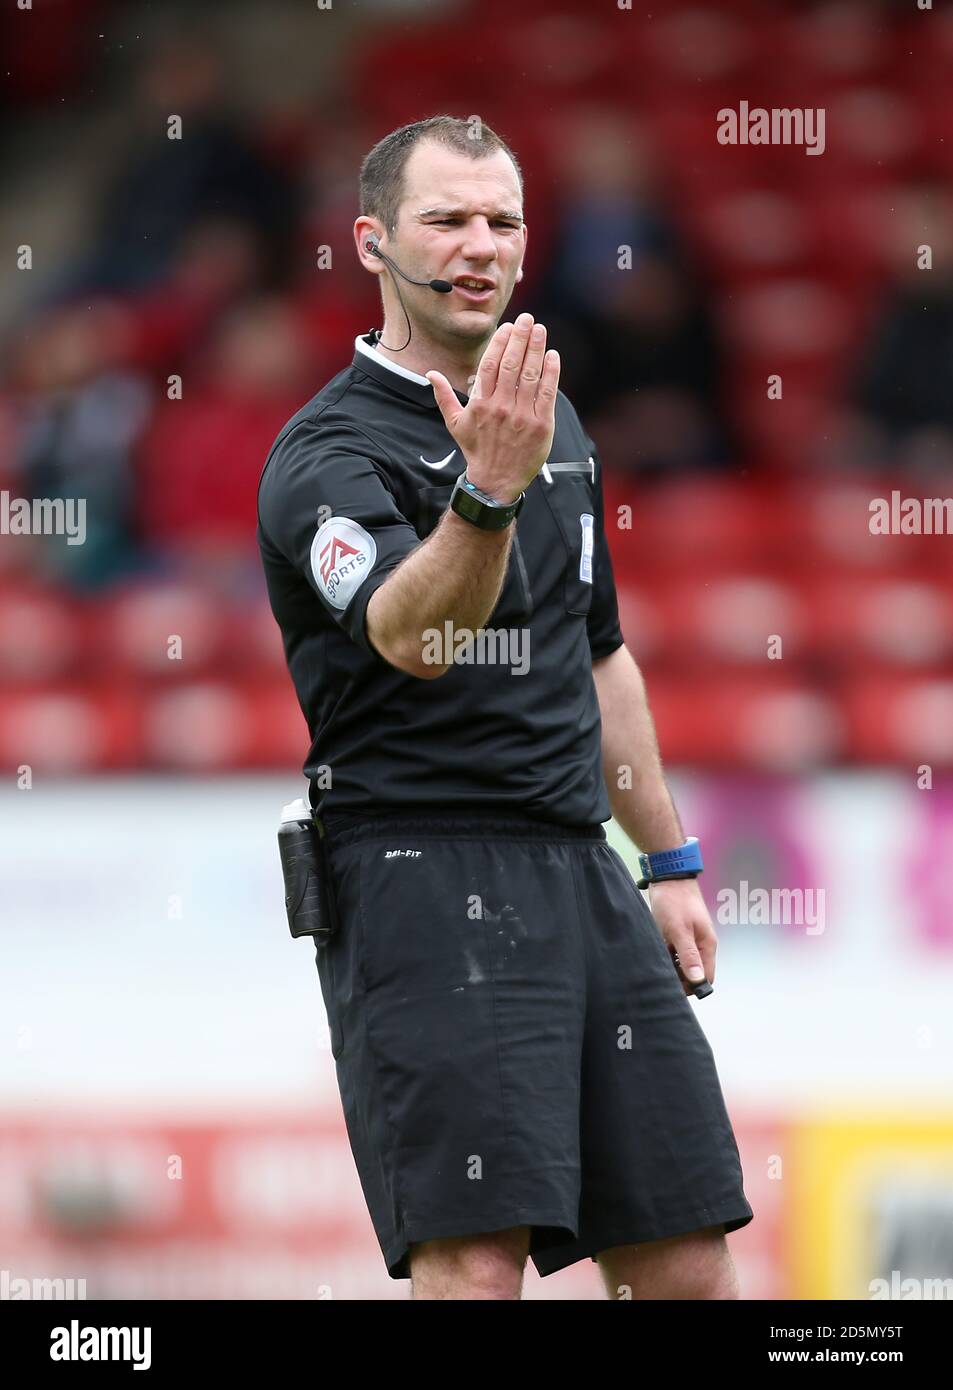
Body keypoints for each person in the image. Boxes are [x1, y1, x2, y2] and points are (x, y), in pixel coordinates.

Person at [257, 115, 753, 1300]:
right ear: (373, 243)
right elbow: (412, 638)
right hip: (417, 874)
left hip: (579, 870)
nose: (479, 246)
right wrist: (482, 492)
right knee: (475, 1262)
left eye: (501, 222)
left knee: (684, 1257)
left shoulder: (549, 419)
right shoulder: (322, 453)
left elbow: (601, 657)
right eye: (447, 220)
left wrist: (669, 858)